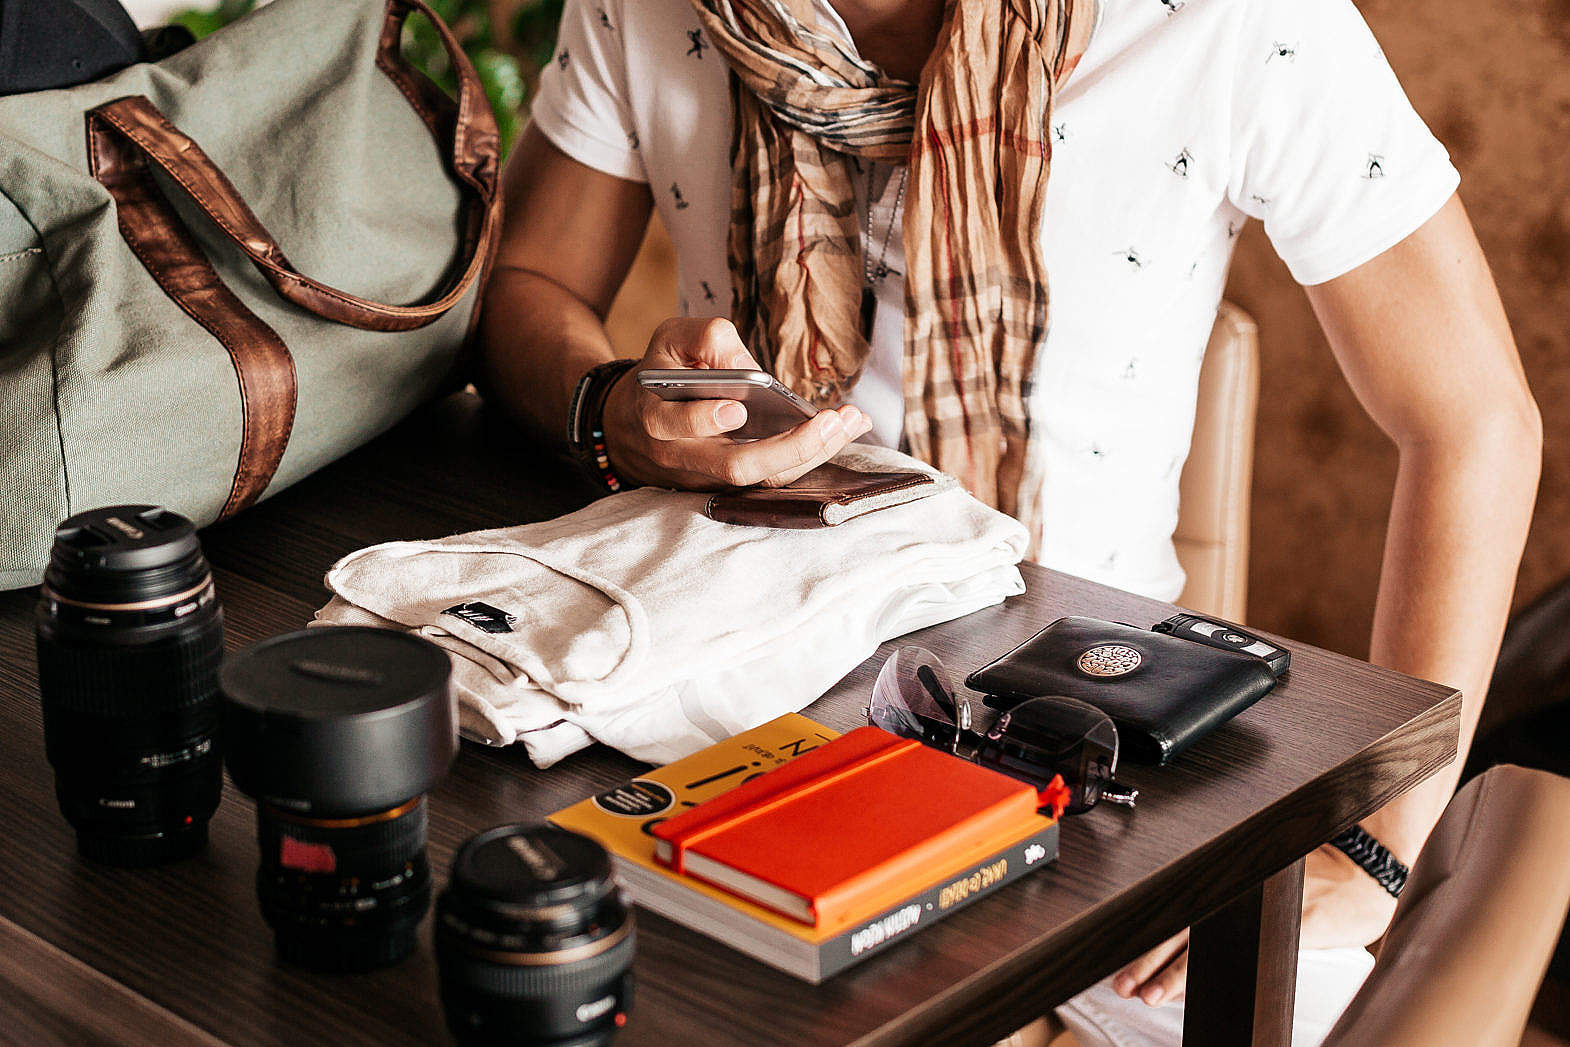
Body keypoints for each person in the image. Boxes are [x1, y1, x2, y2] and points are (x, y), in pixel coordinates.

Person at [476, 0, 1542, 1041]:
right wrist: (612, 405)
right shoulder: (648, 9)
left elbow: (1471, 420)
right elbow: (527, 281)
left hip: (1096, 764)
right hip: (717, 699)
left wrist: (1382, 840)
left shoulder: (1235, 19)